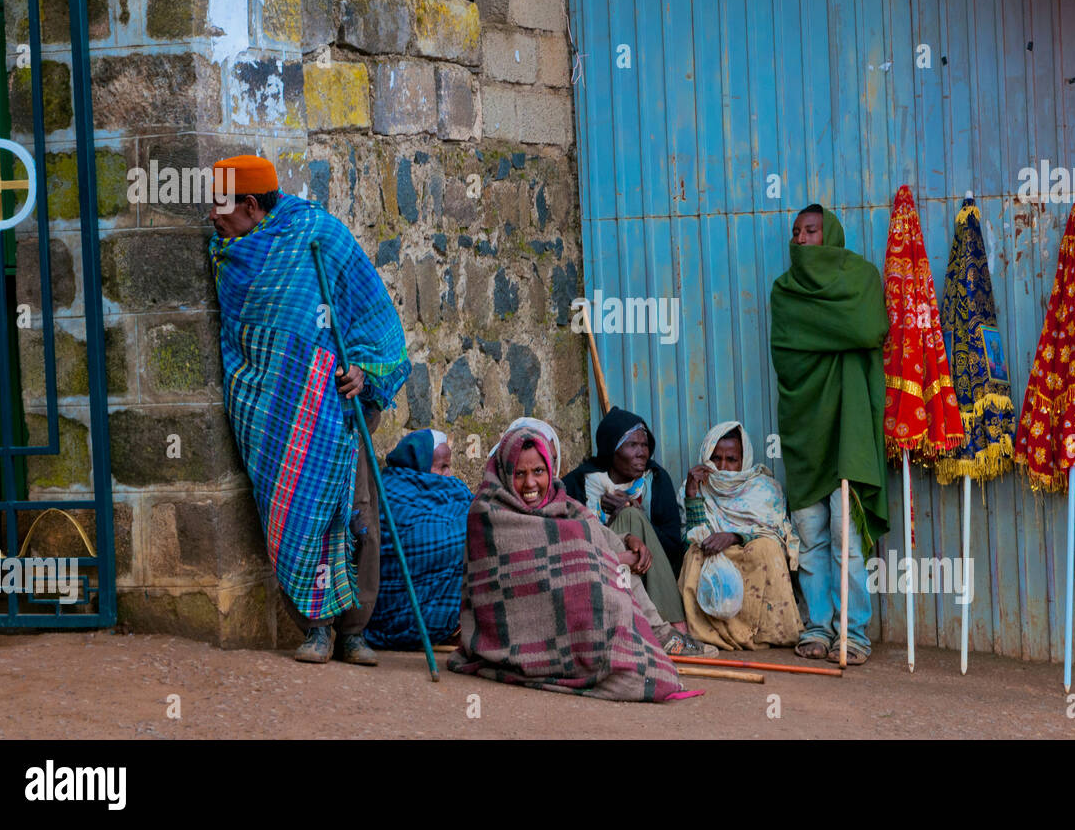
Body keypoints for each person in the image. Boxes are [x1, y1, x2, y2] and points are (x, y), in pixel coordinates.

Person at [209, 154, 410, 666]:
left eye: (220, 205)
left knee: (356, 516)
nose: (212, 216)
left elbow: (376, 319)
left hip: (340, 411)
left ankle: (355, 632)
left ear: (251, 205)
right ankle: (315, 627)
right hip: (276, 416)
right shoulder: (230, 256)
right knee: (292, 513)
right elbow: (248, 344)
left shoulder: (319, 237)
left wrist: (363, 373)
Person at [448, 426, 705, 701]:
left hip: (570, 622)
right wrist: (604, 563)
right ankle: (623, 647)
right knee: (600, 586)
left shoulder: (566, 506)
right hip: (515, 638)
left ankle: (649, 634)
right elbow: (528, 574)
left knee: (610, 552)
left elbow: (587, 543)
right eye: (519, 474)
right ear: (504, 473)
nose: (530, 484)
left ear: (550, 470)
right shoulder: (487, 513)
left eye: (538, 472)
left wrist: (623, 543)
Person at [770, 204, 889, 665]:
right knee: (810, 534)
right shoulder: (784, 291)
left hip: (848, 426)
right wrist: (837, 334)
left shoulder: (860, 279)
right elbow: (788, 348)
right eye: (796, 232)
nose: (801, 239)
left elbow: (869, 328)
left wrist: (827, 332)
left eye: (811, 231)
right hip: (804, 423)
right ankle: (817, 625)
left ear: (830, 234)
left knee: (846, 534)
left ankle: (853, 632)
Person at [562, 406, 699, 641]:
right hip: (601, 569)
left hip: (649, 572)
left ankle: (673, 626)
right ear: (611, 449)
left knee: (632, 515)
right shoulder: (578, 483)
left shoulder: (655, 480)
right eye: (632, 445)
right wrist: (616, 532)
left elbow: (673, 546)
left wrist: (637, 516)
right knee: (628, 518)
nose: (642, 453)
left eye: (645, 445)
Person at [676, 422, 802, 650]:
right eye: (716, 458)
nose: (723, 467)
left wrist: (735, 536)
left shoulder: (765, 489)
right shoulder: (694, 487)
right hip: (713, 561)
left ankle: (766, 632)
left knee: (767, 548)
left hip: (748, 555)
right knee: (694, 554)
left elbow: (777, 538)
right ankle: (710, 634)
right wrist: (692, 496)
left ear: (744, 460)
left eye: (731, 460)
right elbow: (690, 539)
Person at [364, 429, 470, 650]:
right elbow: (420, 541)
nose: (449, 475)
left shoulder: (451, 493)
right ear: (418, 463)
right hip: (387, 614)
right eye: (442, 467)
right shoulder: (387, 495)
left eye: (449, 466)